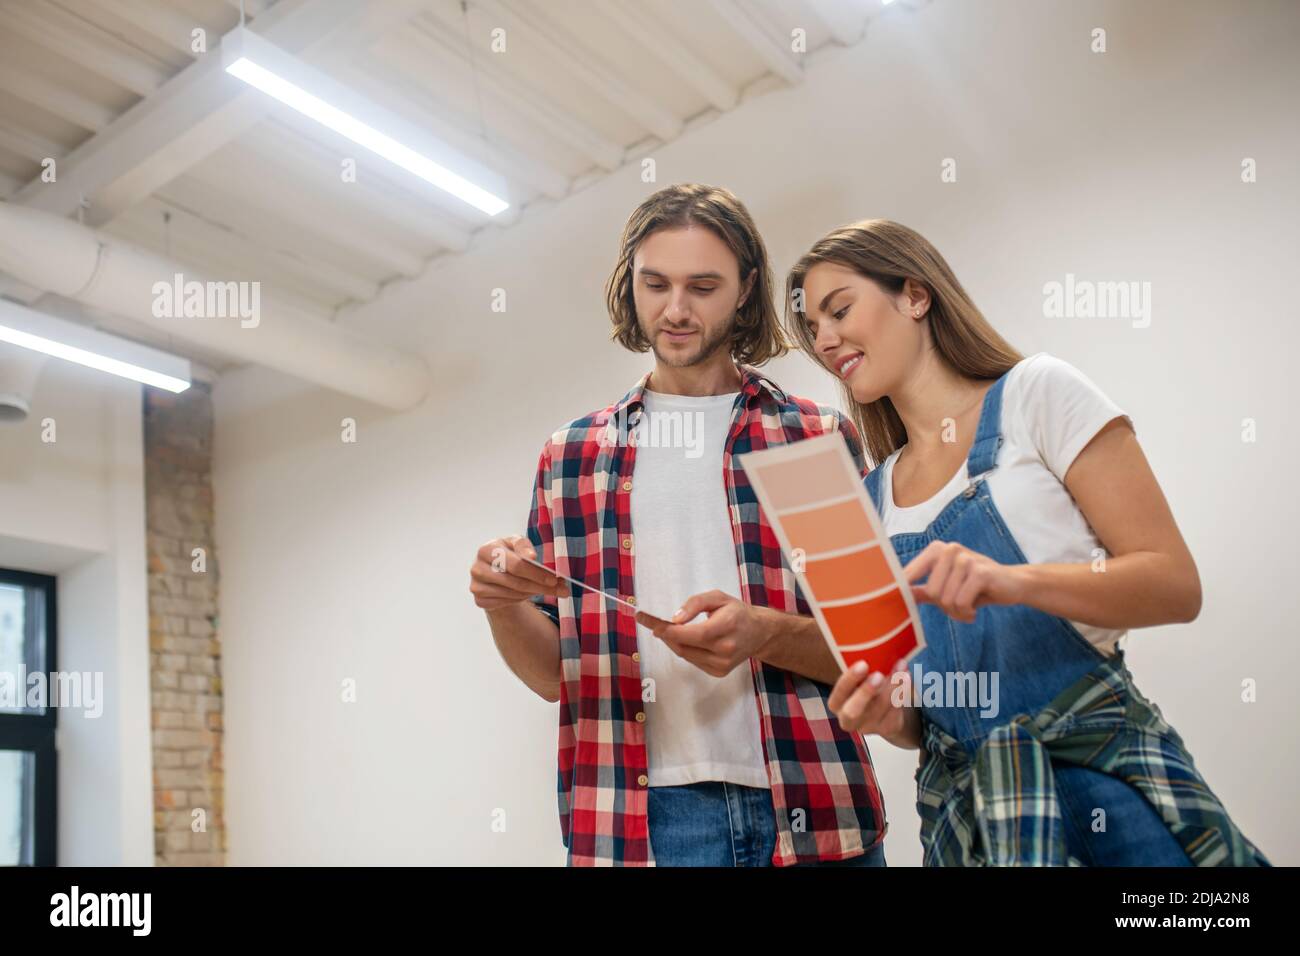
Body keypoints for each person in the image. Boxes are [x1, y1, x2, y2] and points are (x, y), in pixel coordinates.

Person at [786, 217, 1268, 866]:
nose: (826, 339)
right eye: (813, 329)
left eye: (839, 310)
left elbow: (1175, 586)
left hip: (1111, 794)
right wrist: (882, 714)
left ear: (915, 295)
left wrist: (1016, 582)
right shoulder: (860, 506)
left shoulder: (1039, 394)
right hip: (976, 828)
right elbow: (914, 716)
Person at [468, 185, 887, 866]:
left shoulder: (807, 437)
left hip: (814, 804)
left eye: (703, 286)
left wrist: (763, 633)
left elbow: (872, 651)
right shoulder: (574, 458)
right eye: (655, 284)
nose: (676, 310)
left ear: (747, 289)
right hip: (642, 825)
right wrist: (503, 602)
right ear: (629, 284)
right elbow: (553, 677)